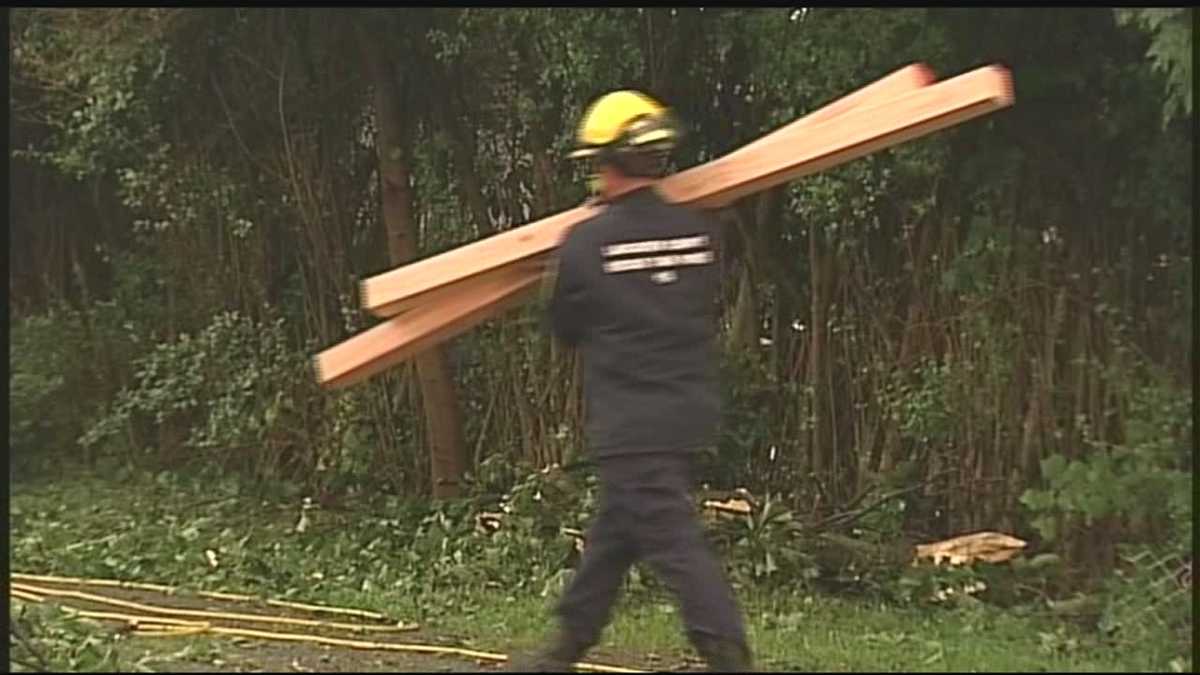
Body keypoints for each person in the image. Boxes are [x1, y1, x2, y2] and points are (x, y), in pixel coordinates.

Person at [512, 90, 752, 672]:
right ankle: (562, 648)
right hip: (688, 410)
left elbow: (564, 329)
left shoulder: (584, 245)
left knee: (673, 543)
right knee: (615, 536)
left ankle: (731, 657)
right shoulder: (701, 233)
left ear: (607, 162)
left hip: (630, 418)